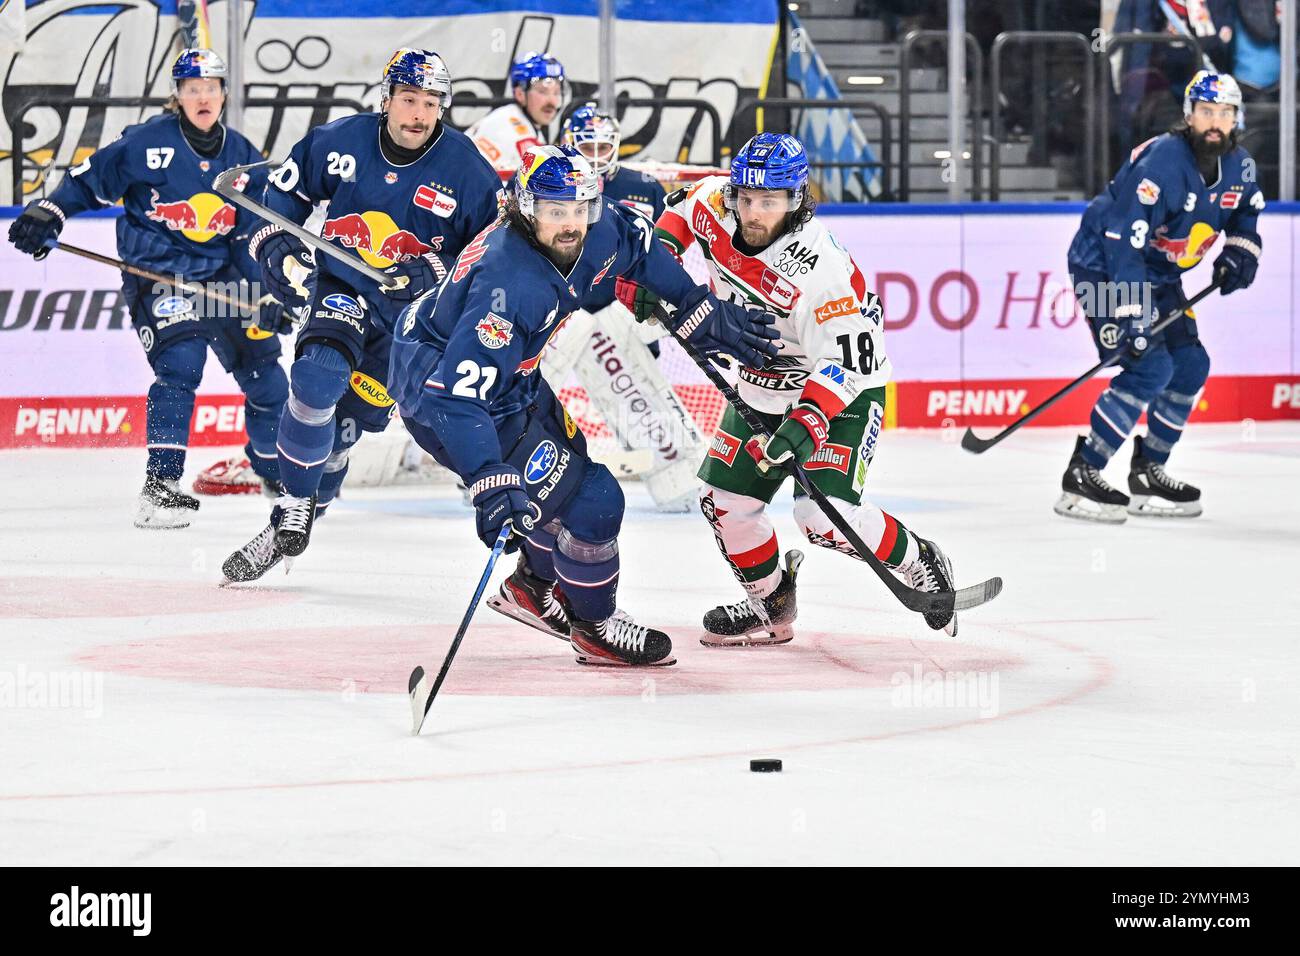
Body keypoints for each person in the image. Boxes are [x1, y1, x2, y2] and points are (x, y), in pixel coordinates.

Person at [388, 145, 779, 666]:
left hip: (511, 374)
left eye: (579, 209)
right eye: (555, 212)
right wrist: (487, 477)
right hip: (440, 392)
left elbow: (641, 251)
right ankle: (594, 627)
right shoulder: (509, 285)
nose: (570, 224)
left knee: (568, 458)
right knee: (593, 501)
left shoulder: (602, 226)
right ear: (524, 210)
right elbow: (459, 400)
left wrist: (696, 307)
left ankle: (530, 587)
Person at [652, 132, 961, 643]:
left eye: (768, 202)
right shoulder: (716, 202)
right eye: (745, 198)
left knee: (821, 516)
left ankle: (919, 558)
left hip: (840, 390)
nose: (752, 212)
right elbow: (681, 211)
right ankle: (770, 603)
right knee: (724, 499)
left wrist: (807, 423)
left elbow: (846, 361)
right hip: (760, 382)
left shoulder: (821, 271)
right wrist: (658, 263)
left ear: (795, 201)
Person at [221, 48, 502, 581]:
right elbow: (279, 198)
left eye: (431, 103)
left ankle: (293, 516)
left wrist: (437, 268)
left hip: (412, 323)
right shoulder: (341, 142)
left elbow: (492, 251)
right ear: (388, 98)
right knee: (315, 379)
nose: (419, 114)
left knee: (344, 434)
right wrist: (276, 249)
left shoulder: (467, 168)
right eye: (409, 99)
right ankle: (294, 503)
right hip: (342, 288)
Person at [7, 48, 288, 529]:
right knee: (181, 363)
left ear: (223, 94)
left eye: (210, 88)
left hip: (221, 278)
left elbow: (252, 233)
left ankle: (275, 477)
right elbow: (88, 180)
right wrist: (49, 212)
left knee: (267, 378)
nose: (202, 96)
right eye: (192, 88)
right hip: (158, 276)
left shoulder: (242, 155)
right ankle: (159, 490)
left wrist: (268, 292)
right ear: (177, 96)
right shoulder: (145, 142)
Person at [1060, 70, 1263, 523]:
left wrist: (1241, 253)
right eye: (1206, 112)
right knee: (1148, 364)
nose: (1215, 121)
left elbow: (1246, 213)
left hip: (1161, 272)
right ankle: (1083, 470)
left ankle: (1149, 469)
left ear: (1237, 118)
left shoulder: (1241, 166)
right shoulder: (1162, 164)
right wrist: (1133, 317)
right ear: (1188, 115)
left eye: (1224, 113)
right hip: (1102, 266)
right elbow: (1122, 244)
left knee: (1191, 365)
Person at [466, 52, 565, 174]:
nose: (552, 101)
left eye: (556, 92)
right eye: (542, 91)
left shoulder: (524, 122)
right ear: (520, 94)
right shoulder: (505, 128)